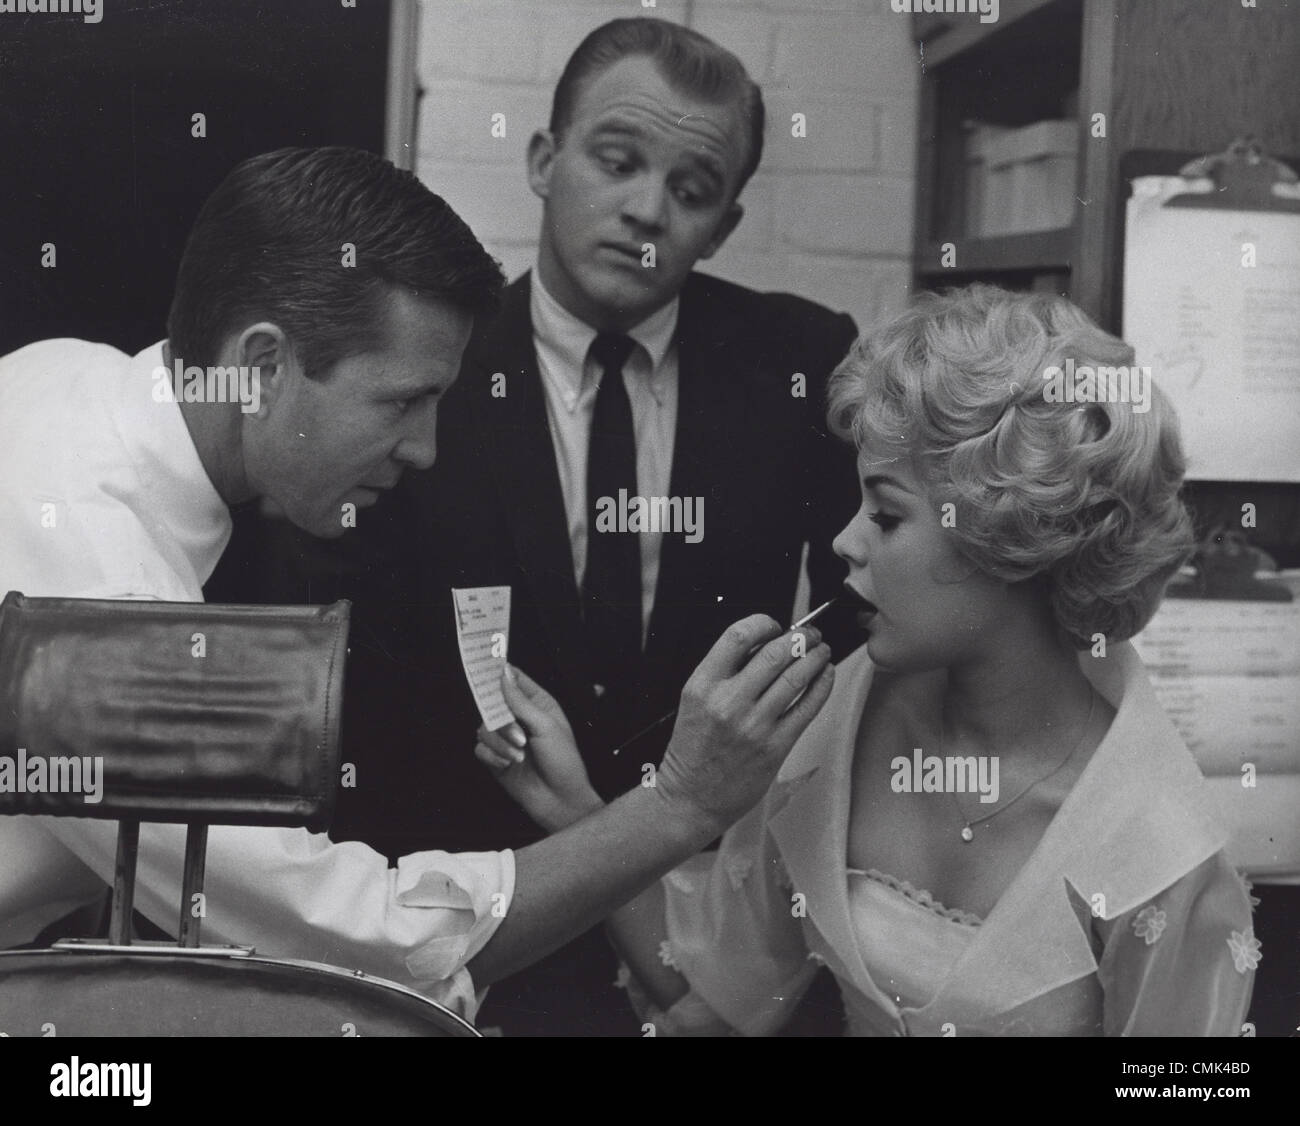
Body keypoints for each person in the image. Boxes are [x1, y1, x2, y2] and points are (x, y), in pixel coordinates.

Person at [0, 145, 837, 1026]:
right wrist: (680, 805)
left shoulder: (65, 378)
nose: (425, 449)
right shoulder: (89, 570)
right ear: (263, 364)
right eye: (401, 402)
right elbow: (351, 934)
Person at [229, 15, 861, 1036]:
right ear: (543, 159)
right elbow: (331, 664)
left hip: (708, 929)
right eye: (616, 162)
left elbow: (865, 598)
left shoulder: (795, 360)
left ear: (726, 224)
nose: (645, 209)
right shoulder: (417, 370)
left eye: (691, 190)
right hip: (475, 934)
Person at [481, 285, 1260, 1035]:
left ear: (1014, 536)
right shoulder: (834, 727)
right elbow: (712, 994)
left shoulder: (1153, 841)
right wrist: (577, 810)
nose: (844, 542)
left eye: (886, 515)